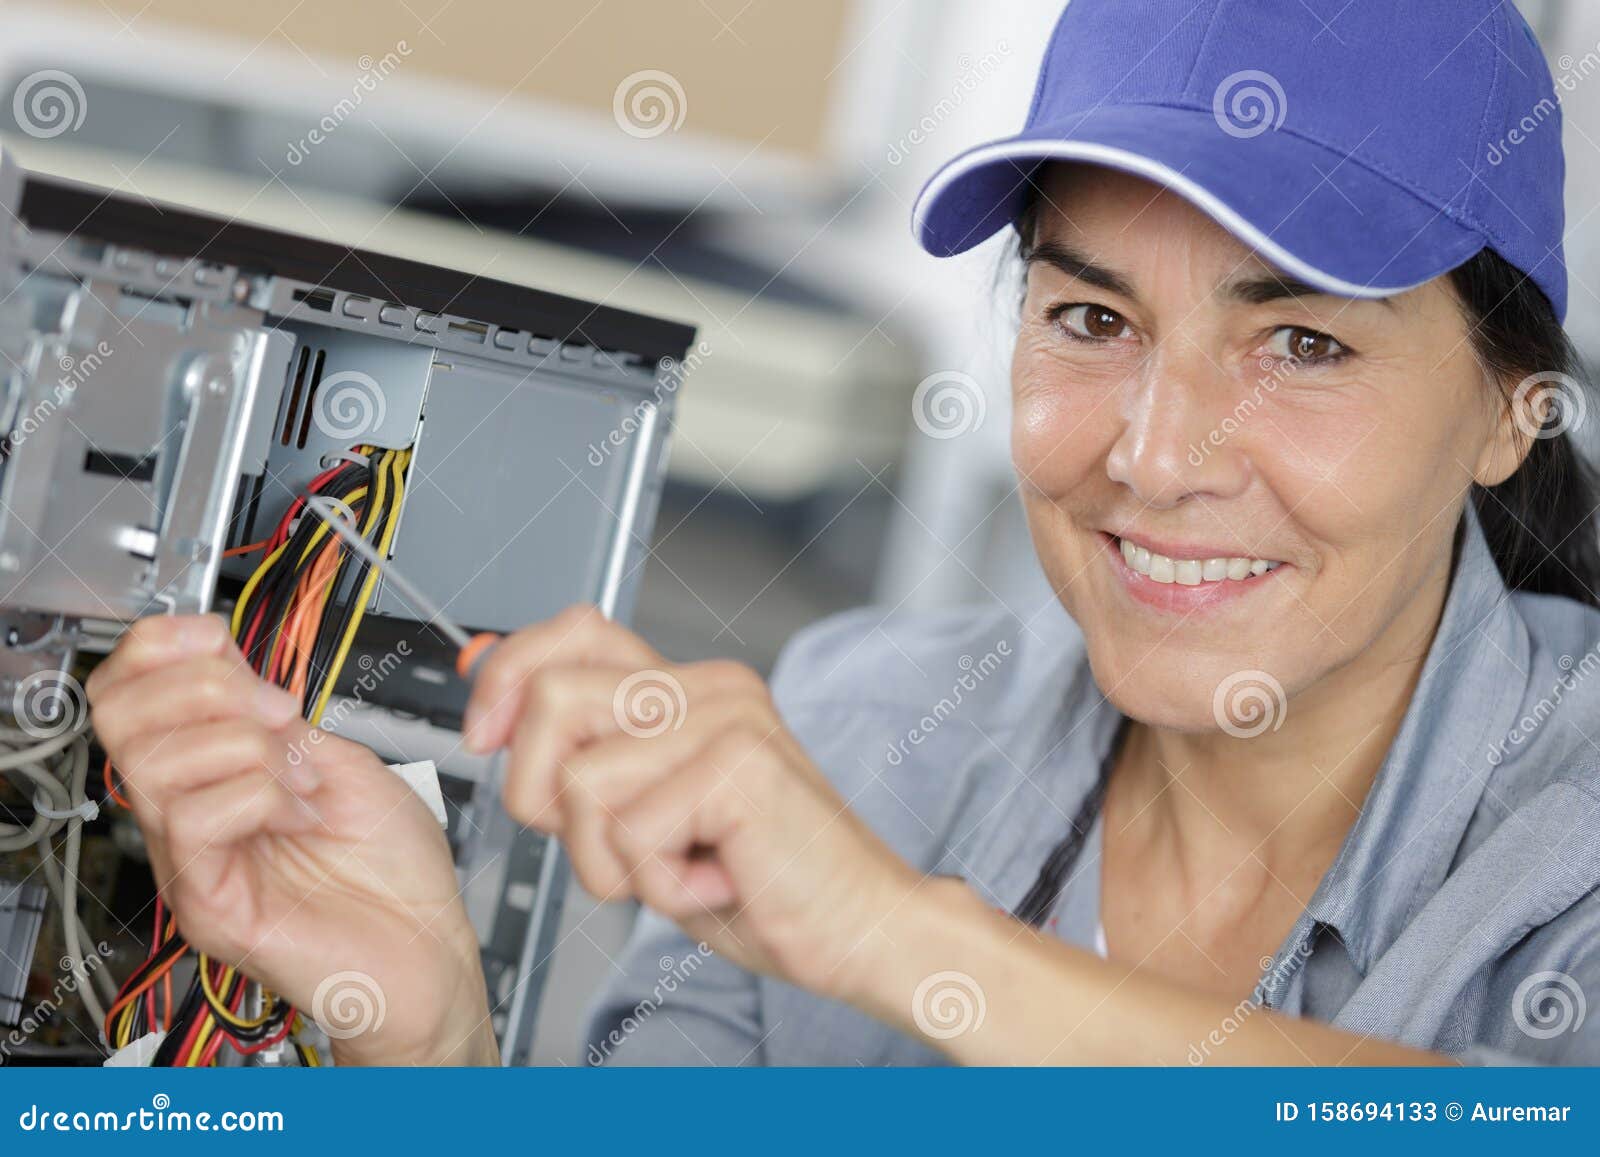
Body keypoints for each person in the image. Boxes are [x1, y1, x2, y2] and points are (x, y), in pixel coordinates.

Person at [88, 0, 1600, 1066]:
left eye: (1304, 345)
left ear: (1509, 411)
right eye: (1091, 318)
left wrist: (890, 935)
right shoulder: (869, 731)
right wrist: (433, 1045)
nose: (1152, 456)